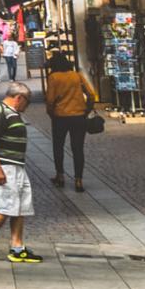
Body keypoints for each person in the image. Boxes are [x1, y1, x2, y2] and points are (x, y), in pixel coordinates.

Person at [0, 81, 41, 263]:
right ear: (19, 98)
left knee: (20, 207)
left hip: (16, 165)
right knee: (6, 206)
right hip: (6, 166)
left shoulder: (11, 112)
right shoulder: (0, 112)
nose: (27, 106)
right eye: (27, 102)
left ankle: (17, 247)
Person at [42, 52, 98, 192]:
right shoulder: (76, 75)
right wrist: (87, 109)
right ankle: (78, 180)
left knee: (58, 146)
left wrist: (51, 113)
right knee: (78, 148)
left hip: (60, 116)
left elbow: (50, 100)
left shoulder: (53, 77)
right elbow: (91, 94)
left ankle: (60, 176)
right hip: (78, 116)